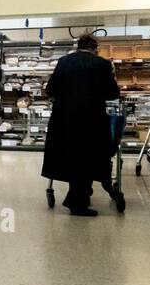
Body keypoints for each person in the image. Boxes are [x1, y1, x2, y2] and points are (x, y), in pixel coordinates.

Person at [41, 33, 121, 216]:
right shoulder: (102, 64)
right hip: (91, 120)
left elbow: (50, 89)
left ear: (78, 46)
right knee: (87, 158)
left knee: (71, 157)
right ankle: (77, 203)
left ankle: (79, 196)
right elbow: (112, 93)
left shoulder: (63, 62)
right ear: (95, 48)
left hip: (64, 120)